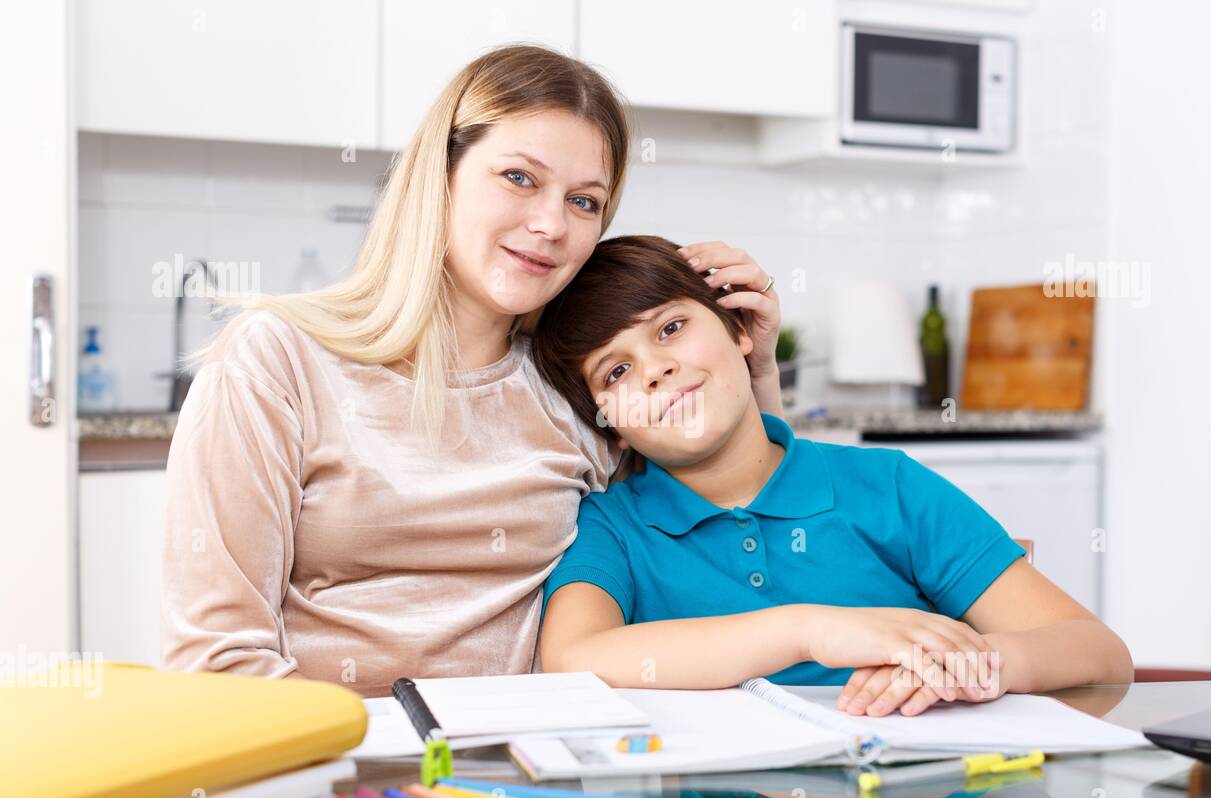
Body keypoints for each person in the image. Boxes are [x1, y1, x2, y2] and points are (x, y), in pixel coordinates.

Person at [160, 46, 784, 698]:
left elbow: (730, 528)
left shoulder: (582, 387)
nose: (551, 224)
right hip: (342, 751)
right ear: (442, 173)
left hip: (540, 754)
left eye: (583, 201)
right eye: (519, 177)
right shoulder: (276, 361)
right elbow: (219, 659)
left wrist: (756, 367)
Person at [532, 235, 1134, 716]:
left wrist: (966, 664)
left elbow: (1099, 653)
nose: (656, 370)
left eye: (670, 329)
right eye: (615, 373)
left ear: (740, 331)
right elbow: (572, 658)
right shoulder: (611, 526)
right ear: (609, 424)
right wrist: (806, 630)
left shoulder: (888, 486)